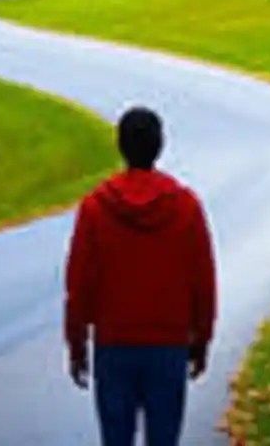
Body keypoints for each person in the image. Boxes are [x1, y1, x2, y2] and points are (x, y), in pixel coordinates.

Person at [63, 106, 217, 446]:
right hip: (168, 344)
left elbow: (79, 283)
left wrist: (77, 344)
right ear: (160, 145)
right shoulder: (185, 207)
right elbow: (203, 280)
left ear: (120, 145)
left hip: (114, 345)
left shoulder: (96, 209)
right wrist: (201, 339)